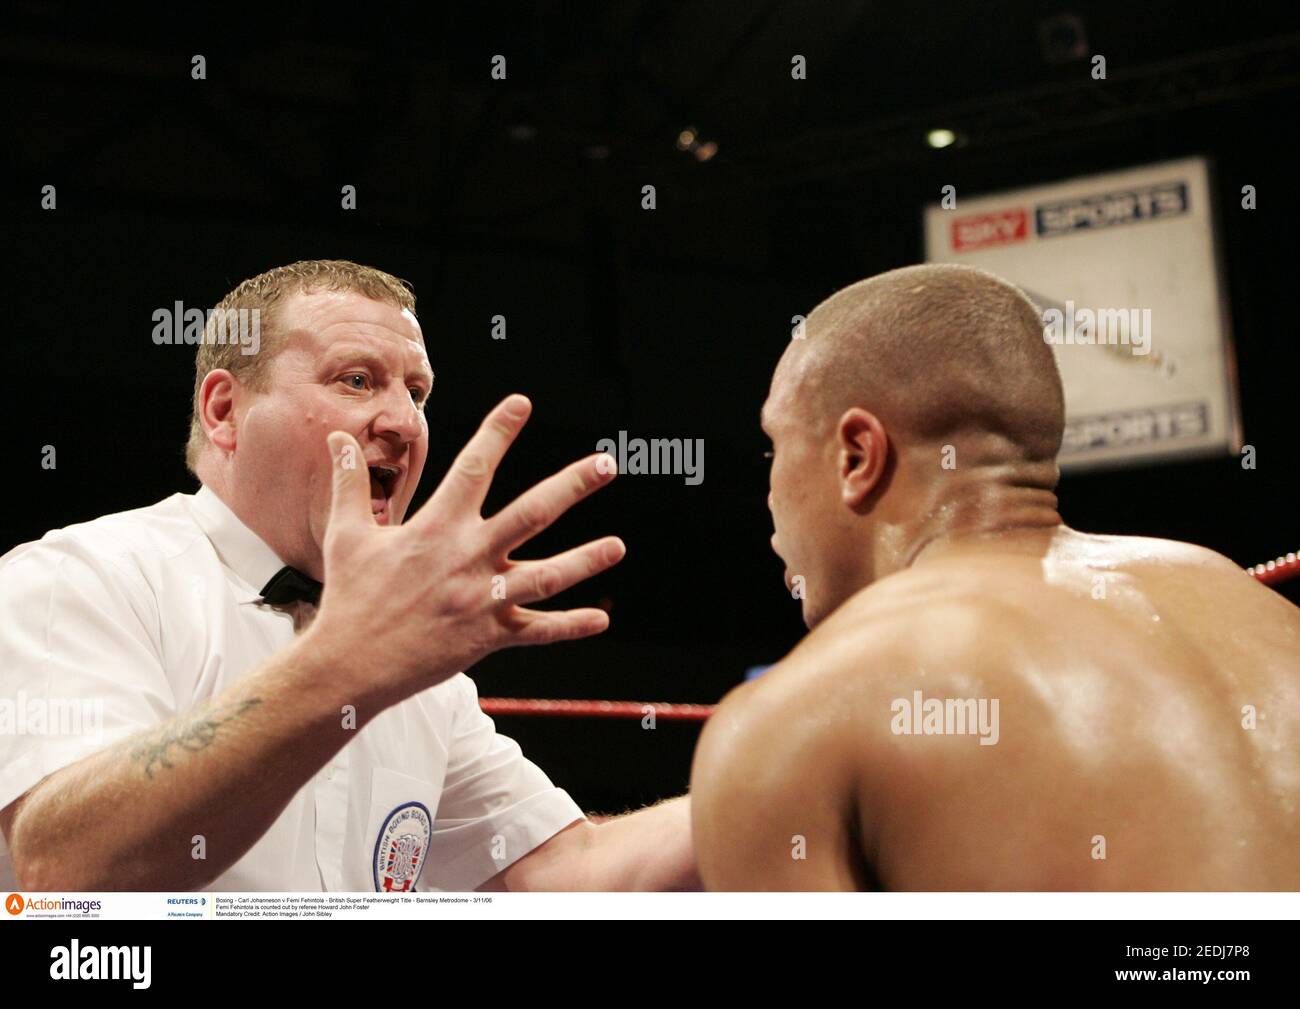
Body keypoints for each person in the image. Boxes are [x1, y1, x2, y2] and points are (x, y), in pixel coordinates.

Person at [0, 259, 695, 892]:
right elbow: (67, 862)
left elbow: (565, 871)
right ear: (225, 410)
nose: (403, 422)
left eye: (417, 391)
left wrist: (778, 749)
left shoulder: (417, 667)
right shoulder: (82, 579)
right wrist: (345, 663)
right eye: (356, 379)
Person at [690, 263, 1300, 890]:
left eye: (773, 448)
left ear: (856, 455)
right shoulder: (1252, 606)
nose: (767, 492)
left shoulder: (799, 719)